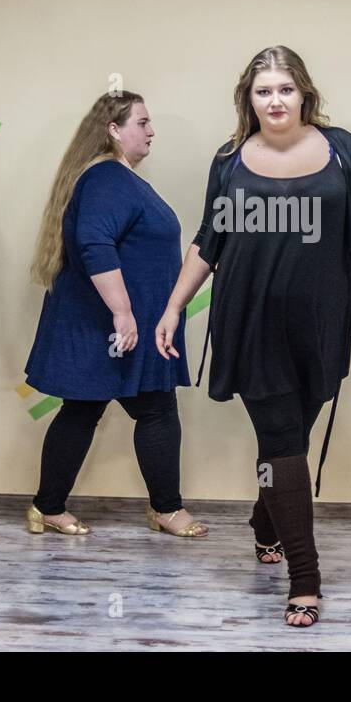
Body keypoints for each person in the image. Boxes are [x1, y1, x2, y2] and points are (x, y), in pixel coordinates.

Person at [157, 46, 351, 627]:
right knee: (283, 440)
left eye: (285, 89)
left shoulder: (342, 150)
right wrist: (173, 306)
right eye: (264, 91)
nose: (275, 100)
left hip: (321, 321)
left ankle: (265, 524)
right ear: (249, 99)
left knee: (290, 440)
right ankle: (305, 580)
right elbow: (209, 238)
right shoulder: (230, 157)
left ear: (304, 93)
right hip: (250, 321)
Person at [24, 91, 206, 539]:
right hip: (111, 325)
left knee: (86, 411)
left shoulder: (114, 178)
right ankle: (166, 510)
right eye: (142, 122)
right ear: (113, 130)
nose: (151, 131)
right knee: (154, 410)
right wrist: (123, 314)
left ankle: (47, 507)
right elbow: (94, 243)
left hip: (117, 325)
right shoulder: (107, 177)